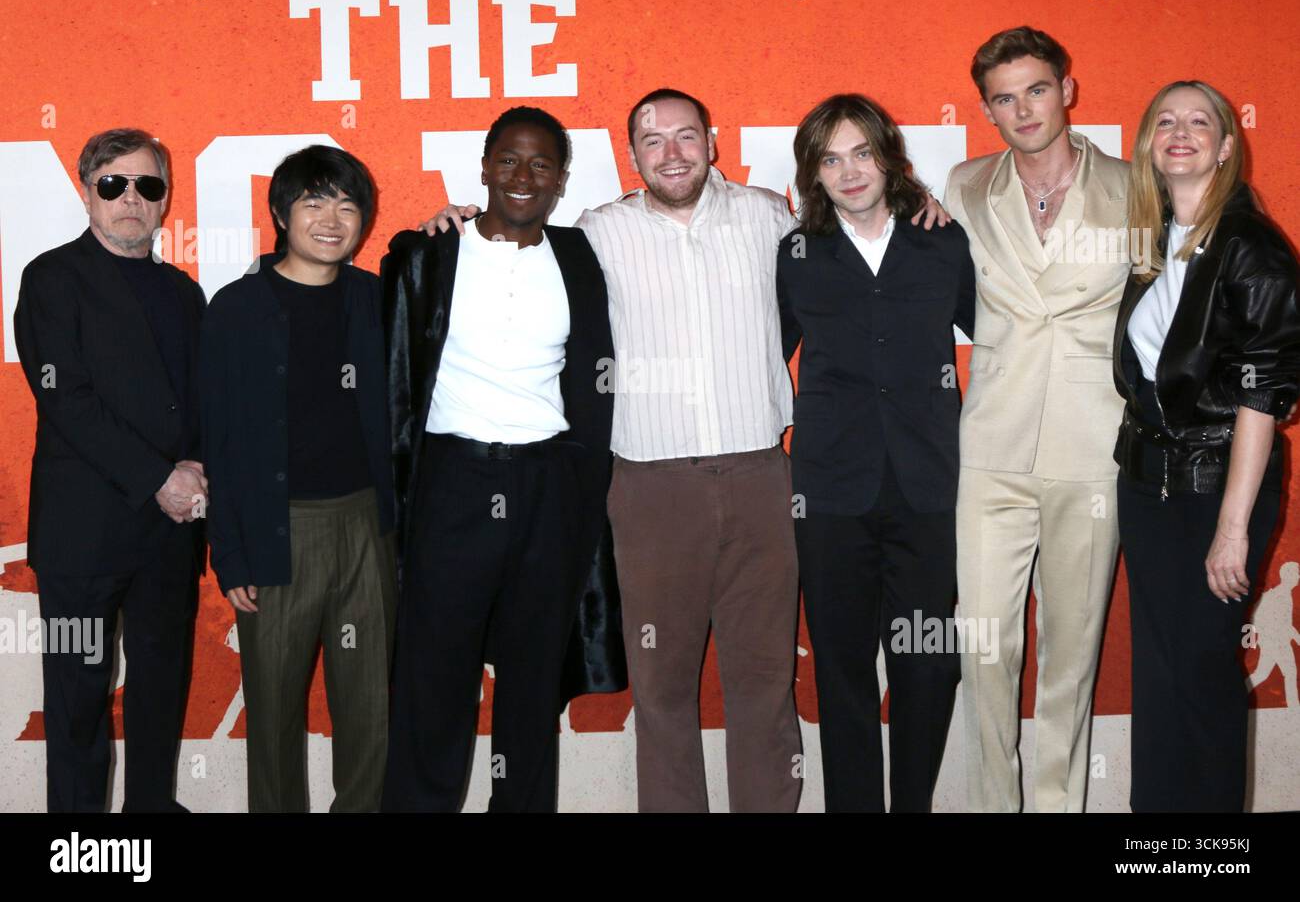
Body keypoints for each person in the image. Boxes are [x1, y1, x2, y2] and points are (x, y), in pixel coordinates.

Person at [429, 89, 945, 812]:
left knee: (766, 686)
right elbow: (508, 242)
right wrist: (451, 222)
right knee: (663, 691)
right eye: (652, 141)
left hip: (764, 480)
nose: (671, 153)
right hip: (648, 492)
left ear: (713, 140)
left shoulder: (772, 219)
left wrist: (925, 205)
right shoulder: (597, 234)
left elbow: (859, 245)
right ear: (630, 154)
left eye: (684, 136)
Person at [381, 107, 616, 812]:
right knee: (433, 681)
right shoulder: (428, 254)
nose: (523, 176)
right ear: (483, 168)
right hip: (455, 483)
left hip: (548, 487)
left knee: (531, 682)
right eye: (508, 160)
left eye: (541, 164)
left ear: (561, 180)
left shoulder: (579, 254)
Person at [943, 26, 1130, 812]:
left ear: (1068, 89)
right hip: (992, 446)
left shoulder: (1135, 184)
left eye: (1037, 89)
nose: (1023, 108)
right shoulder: (962, 186)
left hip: (1095, 450)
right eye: (1004, 97)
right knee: (984, 647)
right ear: (987, 109)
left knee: (1071, 658)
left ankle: (1056, 806)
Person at [777, 93, 974, 812]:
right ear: (814, 175)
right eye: (831, 159)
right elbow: (765, 357)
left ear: (888, 157)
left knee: (928, 666)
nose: (850, 171)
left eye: (862, 153)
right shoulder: (796, 253)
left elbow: (1002, 335)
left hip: (930, 488)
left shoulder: (944, 240)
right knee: (841, 668)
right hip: (829, 492)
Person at [1112, 80, 1300, 812]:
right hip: (1149, 488)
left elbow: (1263, 394)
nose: (1180, 132)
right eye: (1165, 121)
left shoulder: (1252, 247)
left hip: (1219, 493)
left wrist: (1231, 530)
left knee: (1202, 676)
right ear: (1149, 147)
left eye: (1199, 122)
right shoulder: (1151, 237)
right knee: (1159, 675)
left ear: (1227, 146)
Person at [198, 145, 397, 812]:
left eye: (346, 203)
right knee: (275, 718)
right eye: (314, 201)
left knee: (372, 715)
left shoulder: (378, 299)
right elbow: (217, 441)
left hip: (368, 527)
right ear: (281, 213)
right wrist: (232, 552)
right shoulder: (237, 308)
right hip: (276, 535)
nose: (332, 218)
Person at [15, 128, 206, 812]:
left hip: (169, 536)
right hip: (81, 537)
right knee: (77, 696)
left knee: (161, 688)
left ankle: (150, 817)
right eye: (114, 184)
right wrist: (162, 477)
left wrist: (197, 471)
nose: (132, 198)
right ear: (86, 191)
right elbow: (66, 399)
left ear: (165, 199)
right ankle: (79, 838)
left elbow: (204, 400)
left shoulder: (183, 292)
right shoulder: (51, 278)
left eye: (148, 185)